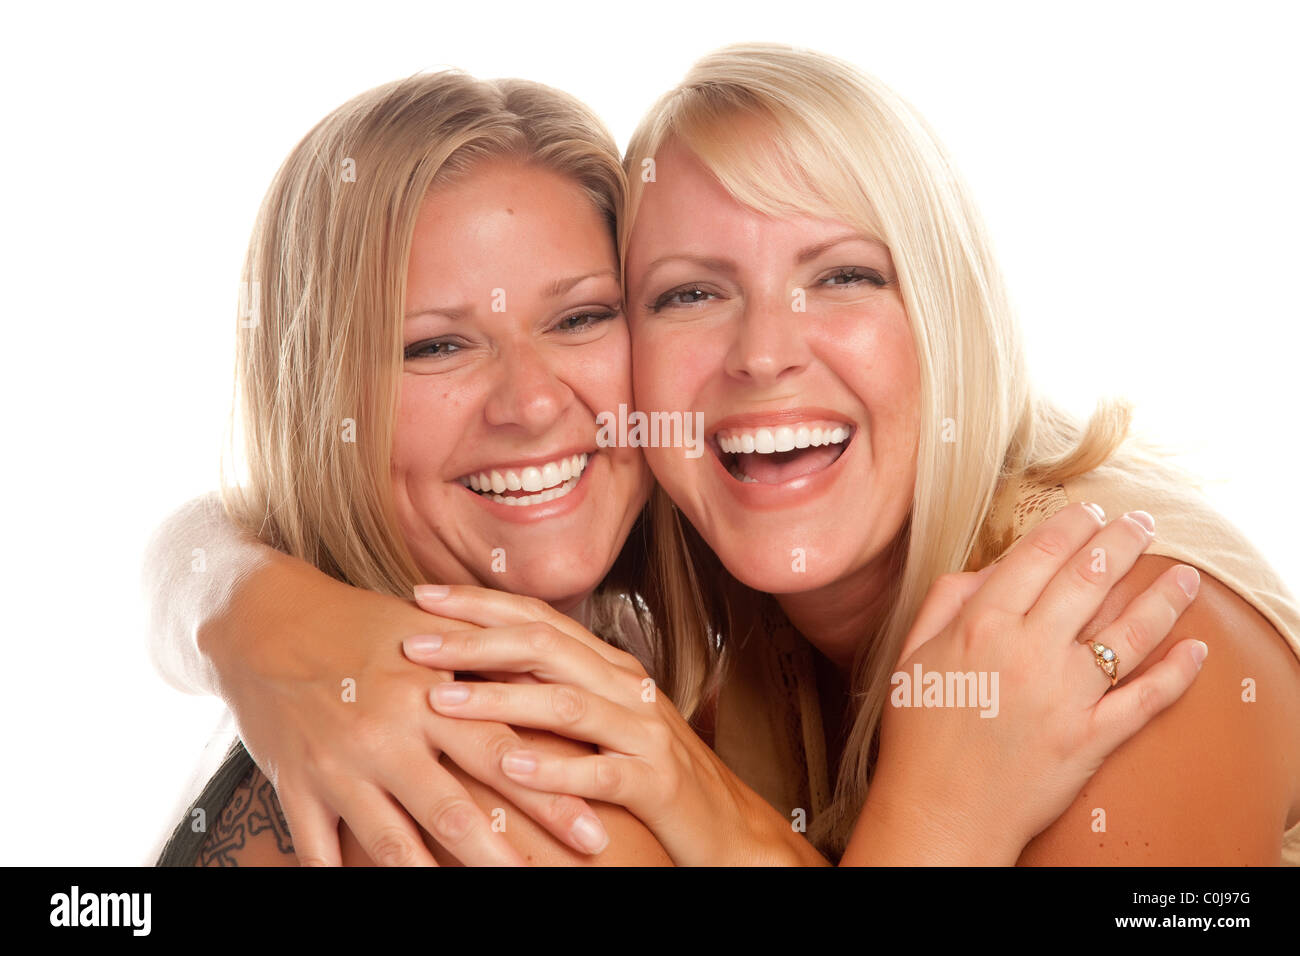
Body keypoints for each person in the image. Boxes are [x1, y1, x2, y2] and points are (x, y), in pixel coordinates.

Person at [148, 53, 1227, 867]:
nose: (531, 404)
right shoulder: (475, 779)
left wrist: (234, 597)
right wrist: (935, 824)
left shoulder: (1088, 625)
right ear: (318, 397)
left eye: (580, 318)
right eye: (434, 344)